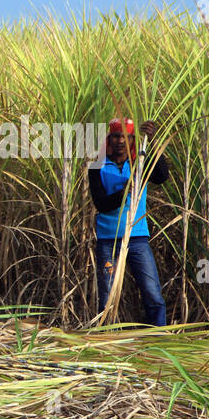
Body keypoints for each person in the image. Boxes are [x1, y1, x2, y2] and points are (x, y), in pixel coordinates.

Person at [86, 118, 170, 326]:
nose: (121, 141)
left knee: (152, 294)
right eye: (116, 136)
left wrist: (153, 141)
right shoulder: (98, 166)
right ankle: (106, 341)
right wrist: (122, 194)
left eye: (126, 136)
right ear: (109, 139)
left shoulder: (140, 163)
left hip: (137, 238)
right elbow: (101, 204)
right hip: (108, 240)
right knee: (106, 296)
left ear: (133, 139)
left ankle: (158, 339)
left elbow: (161, 176)